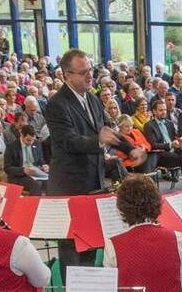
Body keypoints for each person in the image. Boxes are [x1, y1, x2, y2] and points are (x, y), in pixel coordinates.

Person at [44, 50, 141, 277]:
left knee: (90, 244)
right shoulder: (57, 105)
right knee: (71, 249)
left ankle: (88, 291)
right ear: (67, 75)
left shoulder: (93, 99)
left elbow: (108, 130)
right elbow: (68, 141)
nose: (90, 76)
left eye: (91, 70)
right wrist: (97, 141)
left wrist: (130, 148)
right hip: (69, 185)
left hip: (93, 183)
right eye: (83, 72)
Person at [143, 98, 182, 187]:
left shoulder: (169, 123)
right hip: (161, 155)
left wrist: (178, 141)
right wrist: (170, 144)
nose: (164, 112)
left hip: (174, 151)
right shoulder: (149, 126)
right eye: (161, 110)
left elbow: (173, 138)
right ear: (154, 111)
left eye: (165, 110)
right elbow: (153, 145)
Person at [4, 124, 48, 195]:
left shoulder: (36, 143)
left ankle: (49, 203)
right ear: (21, 135)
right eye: (28, 140)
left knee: (51, 181)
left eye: (32, 140)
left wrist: (44, 165)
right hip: (19, 175)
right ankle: (33, 205)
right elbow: (7, 168)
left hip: (35, 172)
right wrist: (23, 170)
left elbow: (40, 159)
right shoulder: (11, 147)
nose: (31, 143)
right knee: (36, 185)